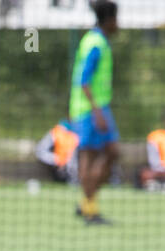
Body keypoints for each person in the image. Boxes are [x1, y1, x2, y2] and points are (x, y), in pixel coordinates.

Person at [69, 1, 119, 224]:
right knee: (88, 157)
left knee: (113, 152)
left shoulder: (97, 40)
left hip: (97, 107)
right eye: (117, 19)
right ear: (109, 20)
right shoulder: (96, 43)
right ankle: (91, 210)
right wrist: (97, 112)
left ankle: (86, 202)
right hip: (90, 109)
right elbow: (84, 81)